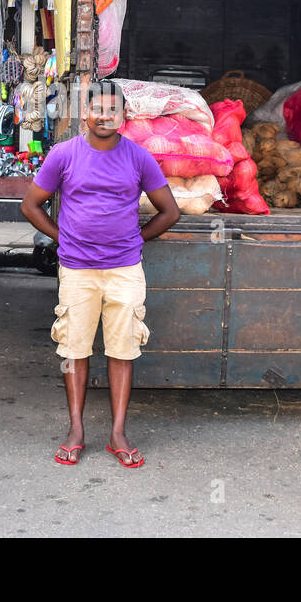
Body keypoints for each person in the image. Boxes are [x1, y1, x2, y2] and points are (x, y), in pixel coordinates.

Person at [20, 80, 180, 468]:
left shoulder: (139, 158)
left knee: (122, 350)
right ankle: (76, 430)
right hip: (77, 270)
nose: (105, 116)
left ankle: (118, 432)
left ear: (124, 116)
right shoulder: (64, 154)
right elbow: (30, 205)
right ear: (85, 114)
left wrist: (135, 240)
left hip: (124, 269)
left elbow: (169, 212)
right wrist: (64, 238)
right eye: (98, 109)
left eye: (113, 110)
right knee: (73, 351)